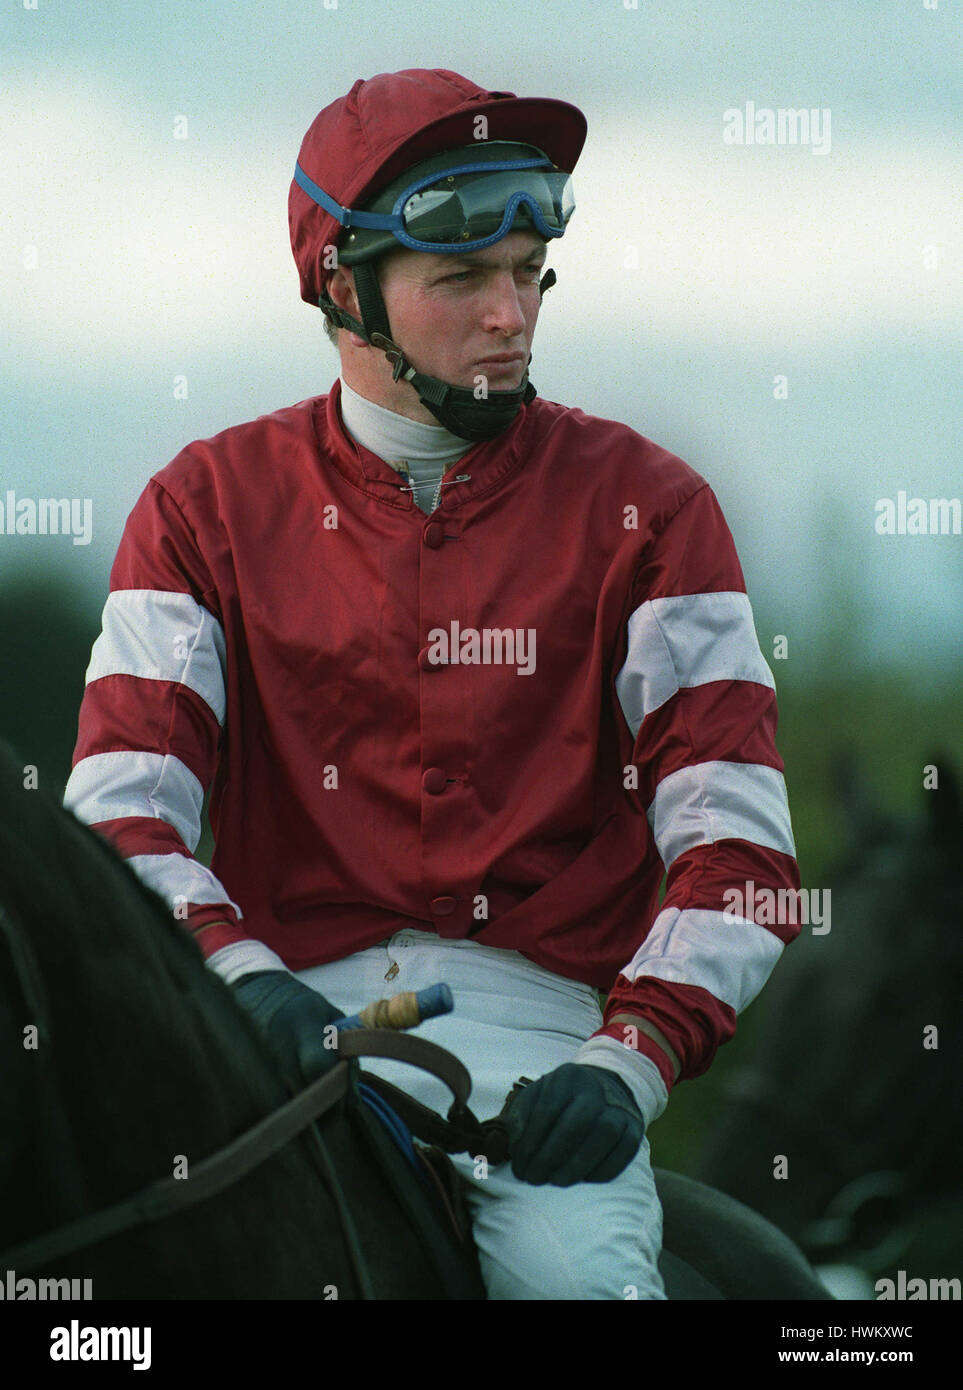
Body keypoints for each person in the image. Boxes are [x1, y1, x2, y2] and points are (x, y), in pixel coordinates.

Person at [65, 67, 801, 1300]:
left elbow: (744, 856)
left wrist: (631, 1060)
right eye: (463, 278)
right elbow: (118, 811)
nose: (511, 315)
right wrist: (238, 982)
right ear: (344, 289)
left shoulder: (659, 513)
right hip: (261, 1021)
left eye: (528, 272)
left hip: (539, 1035)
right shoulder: (197, 510)